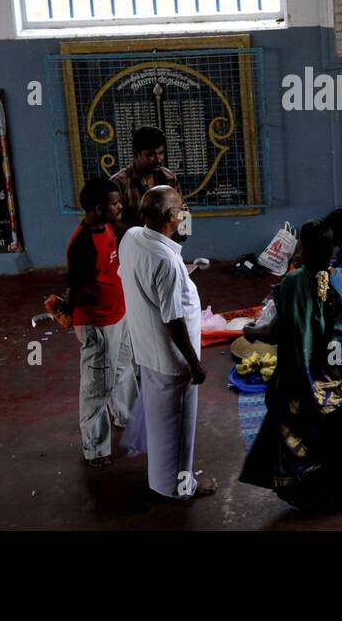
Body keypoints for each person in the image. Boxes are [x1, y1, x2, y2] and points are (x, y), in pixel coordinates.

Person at [239, 220, 342, 510]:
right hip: (335, 372)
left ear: (302, 249)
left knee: (291, 423)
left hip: (299, 375)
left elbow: (277, 331)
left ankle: (302, 486)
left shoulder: (291, 282)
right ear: (333, 249)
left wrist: (252, 331)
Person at [117, 185, 216, 499]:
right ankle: (180, 488)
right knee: (180, 430)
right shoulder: (167, 262)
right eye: (181, 206)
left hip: (146, 350)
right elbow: (173, 319)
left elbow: (139, 278)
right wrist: (194, 363)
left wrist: (181, 277)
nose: (186, 209)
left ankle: (161, 480)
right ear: (172, 216)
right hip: (173, 360)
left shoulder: (132, 237)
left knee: (162, 425)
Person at [62, 178, 137, 468]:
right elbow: (74, 289)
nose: (120, 206)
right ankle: (95, 448)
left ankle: (127, 418)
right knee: (97, 386)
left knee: (122, 370)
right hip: (99, 325)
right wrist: (70, 307)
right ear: (97, 208)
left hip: (119, 315)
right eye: (114, 203)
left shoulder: (106, 227)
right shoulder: (81, 244)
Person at [109, 126, 182, 240]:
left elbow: (182, 209)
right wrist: (147, 236)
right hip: (133, 250)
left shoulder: (169, 178)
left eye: (161, 153)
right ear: (136, 154)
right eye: (151, 155)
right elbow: (112, 224)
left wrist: (183, 231)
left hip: (166, 248)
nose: (158, 159)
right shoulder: (119, 182)